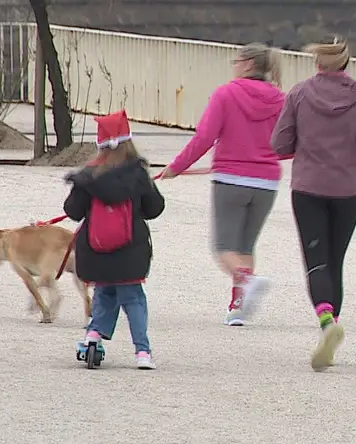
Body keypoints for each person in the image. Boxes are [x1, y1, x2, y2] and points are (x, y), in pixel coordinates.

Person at [270, 39, 356, 371]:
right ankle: (331, 327)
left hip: (308, 188)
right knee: (336, 260)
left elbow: (279, 143)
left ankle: (327, 323)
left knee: (316, 261)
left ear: (317, 65)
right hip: (348, 189)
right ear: (346, 65)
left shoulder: (299, 94)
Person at [160, 43, 286, 327]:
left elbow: (204, 137)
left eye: (237, 61)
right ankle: (237, 307)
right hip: (266, 182)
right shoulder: (280, 99)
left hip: (230, 179)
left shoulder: (226, 93)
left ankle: (248, 282)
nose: (234, 65)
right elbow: (289, 144)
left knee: (223, 247)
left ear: (249, 64)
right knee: (245, 246)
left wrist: (176, 167)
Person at [64, 111, 167, 370]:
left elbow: (73, 210)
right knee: (133, 298)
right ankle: (142, 352)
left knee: (104, 291)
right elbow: (154, 208)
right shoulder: (138, 174)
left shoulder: (88, 176)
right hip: (130, 252)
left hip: (96, 251)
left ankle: (93, 335)